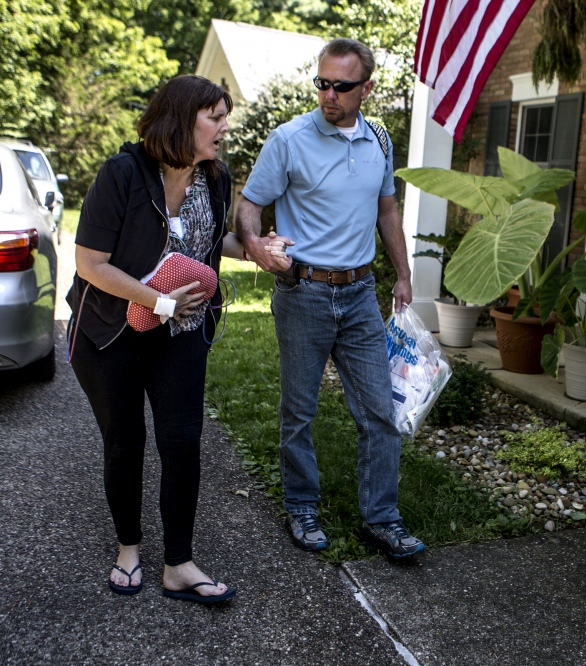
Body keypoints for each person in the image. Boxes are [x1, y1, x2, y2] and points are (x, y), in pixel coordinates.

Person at [67, 75, 289, 602]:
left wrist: (257, 249)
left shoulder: (214, 175)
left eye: (224, 115)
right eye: (215, 115)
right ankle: (128, 549)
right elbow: (89, 263)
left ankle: (179, 565)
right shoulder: (123, 173)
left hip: (183, 331)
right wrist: (158, 301)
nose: (225, 126)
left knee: (182, 443)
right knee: (125, 443)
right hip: (112, 331)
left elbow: (214, 240)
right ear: (180, 119)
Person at [236, 38, 425, 558]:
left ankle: (382, 518)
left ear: (367, 88)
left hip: (361, 293)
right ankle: (301, 506)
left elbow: (387, 211)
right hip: (304, 293)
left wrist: (402, 274)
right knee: (299, 411)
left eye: (341, 86)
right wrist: (255, 246)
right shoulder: (289, 139)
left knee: (380, 412)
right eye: (321, 83)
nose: (328, 95)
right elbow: (250, 204)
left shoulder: (380, 141)